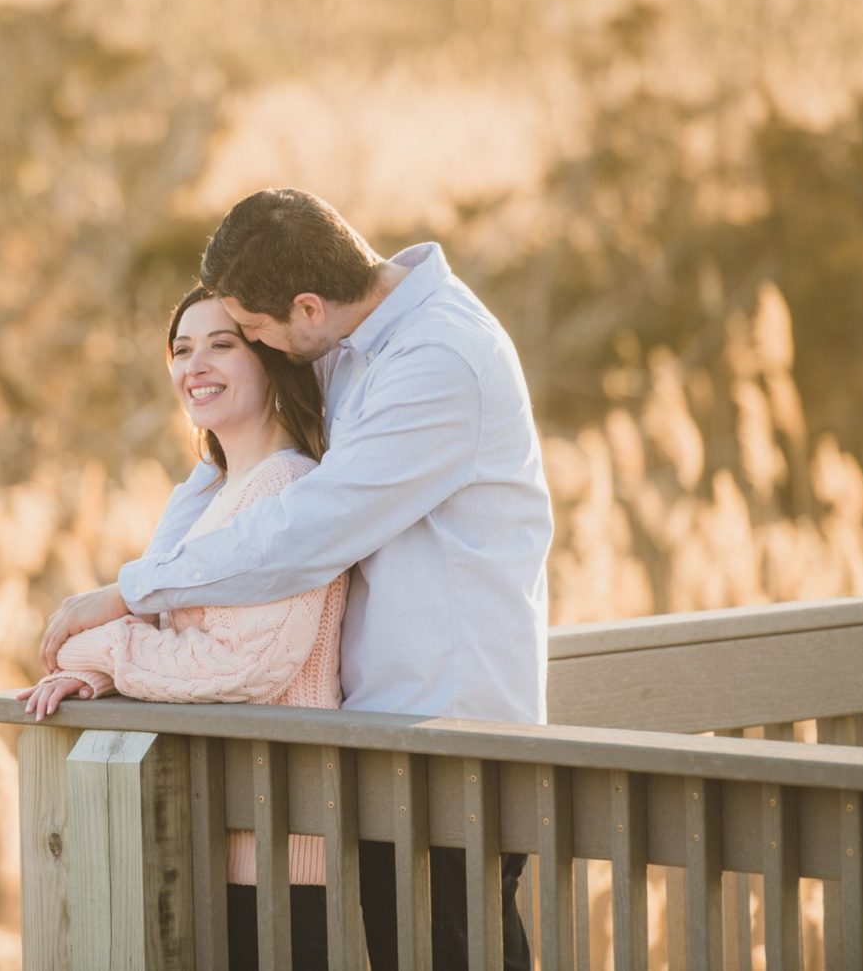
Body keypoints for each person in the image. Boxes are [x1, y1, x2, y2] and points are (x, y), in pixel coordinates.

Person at [38, 188, 551, 971]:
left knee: (459, 951)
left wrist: (130, 593)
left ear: (306, 309)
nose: (251, 347)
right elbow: (235, 476)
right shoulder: (353, 345)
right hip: (386, 737)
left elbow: (307, 531)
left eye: (249, 333)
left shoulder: (439, 360)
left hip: (452, 736)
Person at [19, 284, 348, 969]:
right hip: (225, 834)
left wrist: (102, 647)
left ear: (269, 358)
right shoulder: (222, 494)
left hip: (284, 846)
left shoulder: (286, 490)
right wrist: (94, 672)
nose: (193, 365)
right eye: (181, 349)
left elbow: (245, 665)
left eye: (221, 345)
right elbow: (177, 636)